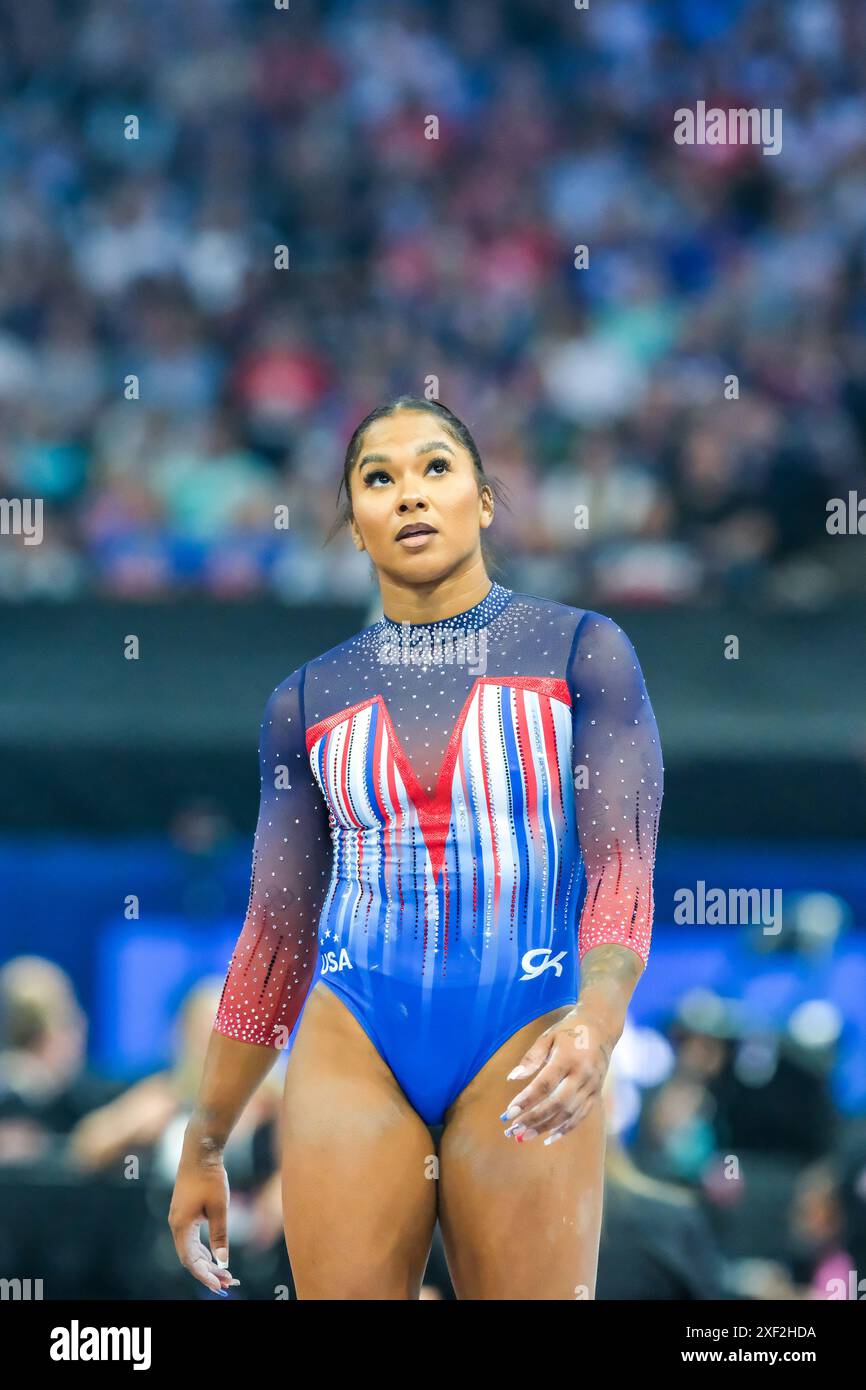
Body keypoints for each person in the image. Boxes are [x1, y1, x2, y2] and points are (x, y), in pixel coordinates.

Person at [168, 396, 664, 1299]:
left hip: (528, 1029)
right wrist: (205, 1140)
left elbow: (623, 867)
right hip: (357, 1035)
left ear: (483, 500)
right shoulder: (305, 701)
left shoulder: (584, 652)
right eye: (378, 478)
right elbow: (275, 941)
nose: (409, 495)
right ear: (353, 525)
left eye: (436, 468)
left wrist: (598, 1021)